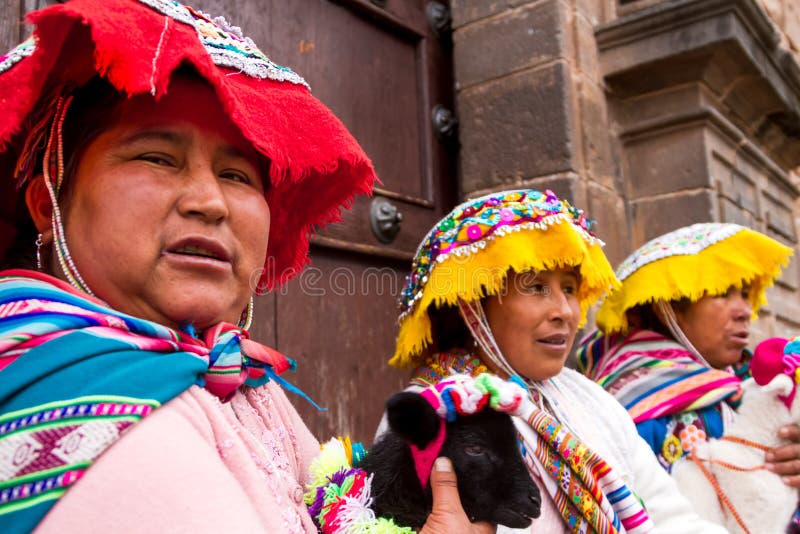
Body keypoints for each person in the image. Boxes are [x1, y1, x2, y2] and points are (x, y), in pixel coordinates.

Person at [0, 1, 481, 532]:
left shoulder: (229, 375)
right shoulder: (95, 407)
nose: (211, 202)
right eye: (158, 158)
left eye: (237, 175)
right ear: (48, 201)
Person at [387, 188, 727, 533]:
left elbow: (672, 519)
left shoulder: (589, 399)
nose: (564, 312)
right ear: (472, 304)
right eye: (536, 287)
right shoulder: (432, 414)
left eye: (569, 288)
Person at [576, 223, 799, 480]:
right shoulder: (631, 410)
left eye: (746, 295)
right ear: (667, 309)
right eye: (722, 293)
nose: (745, 311)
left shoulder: (758, 386)